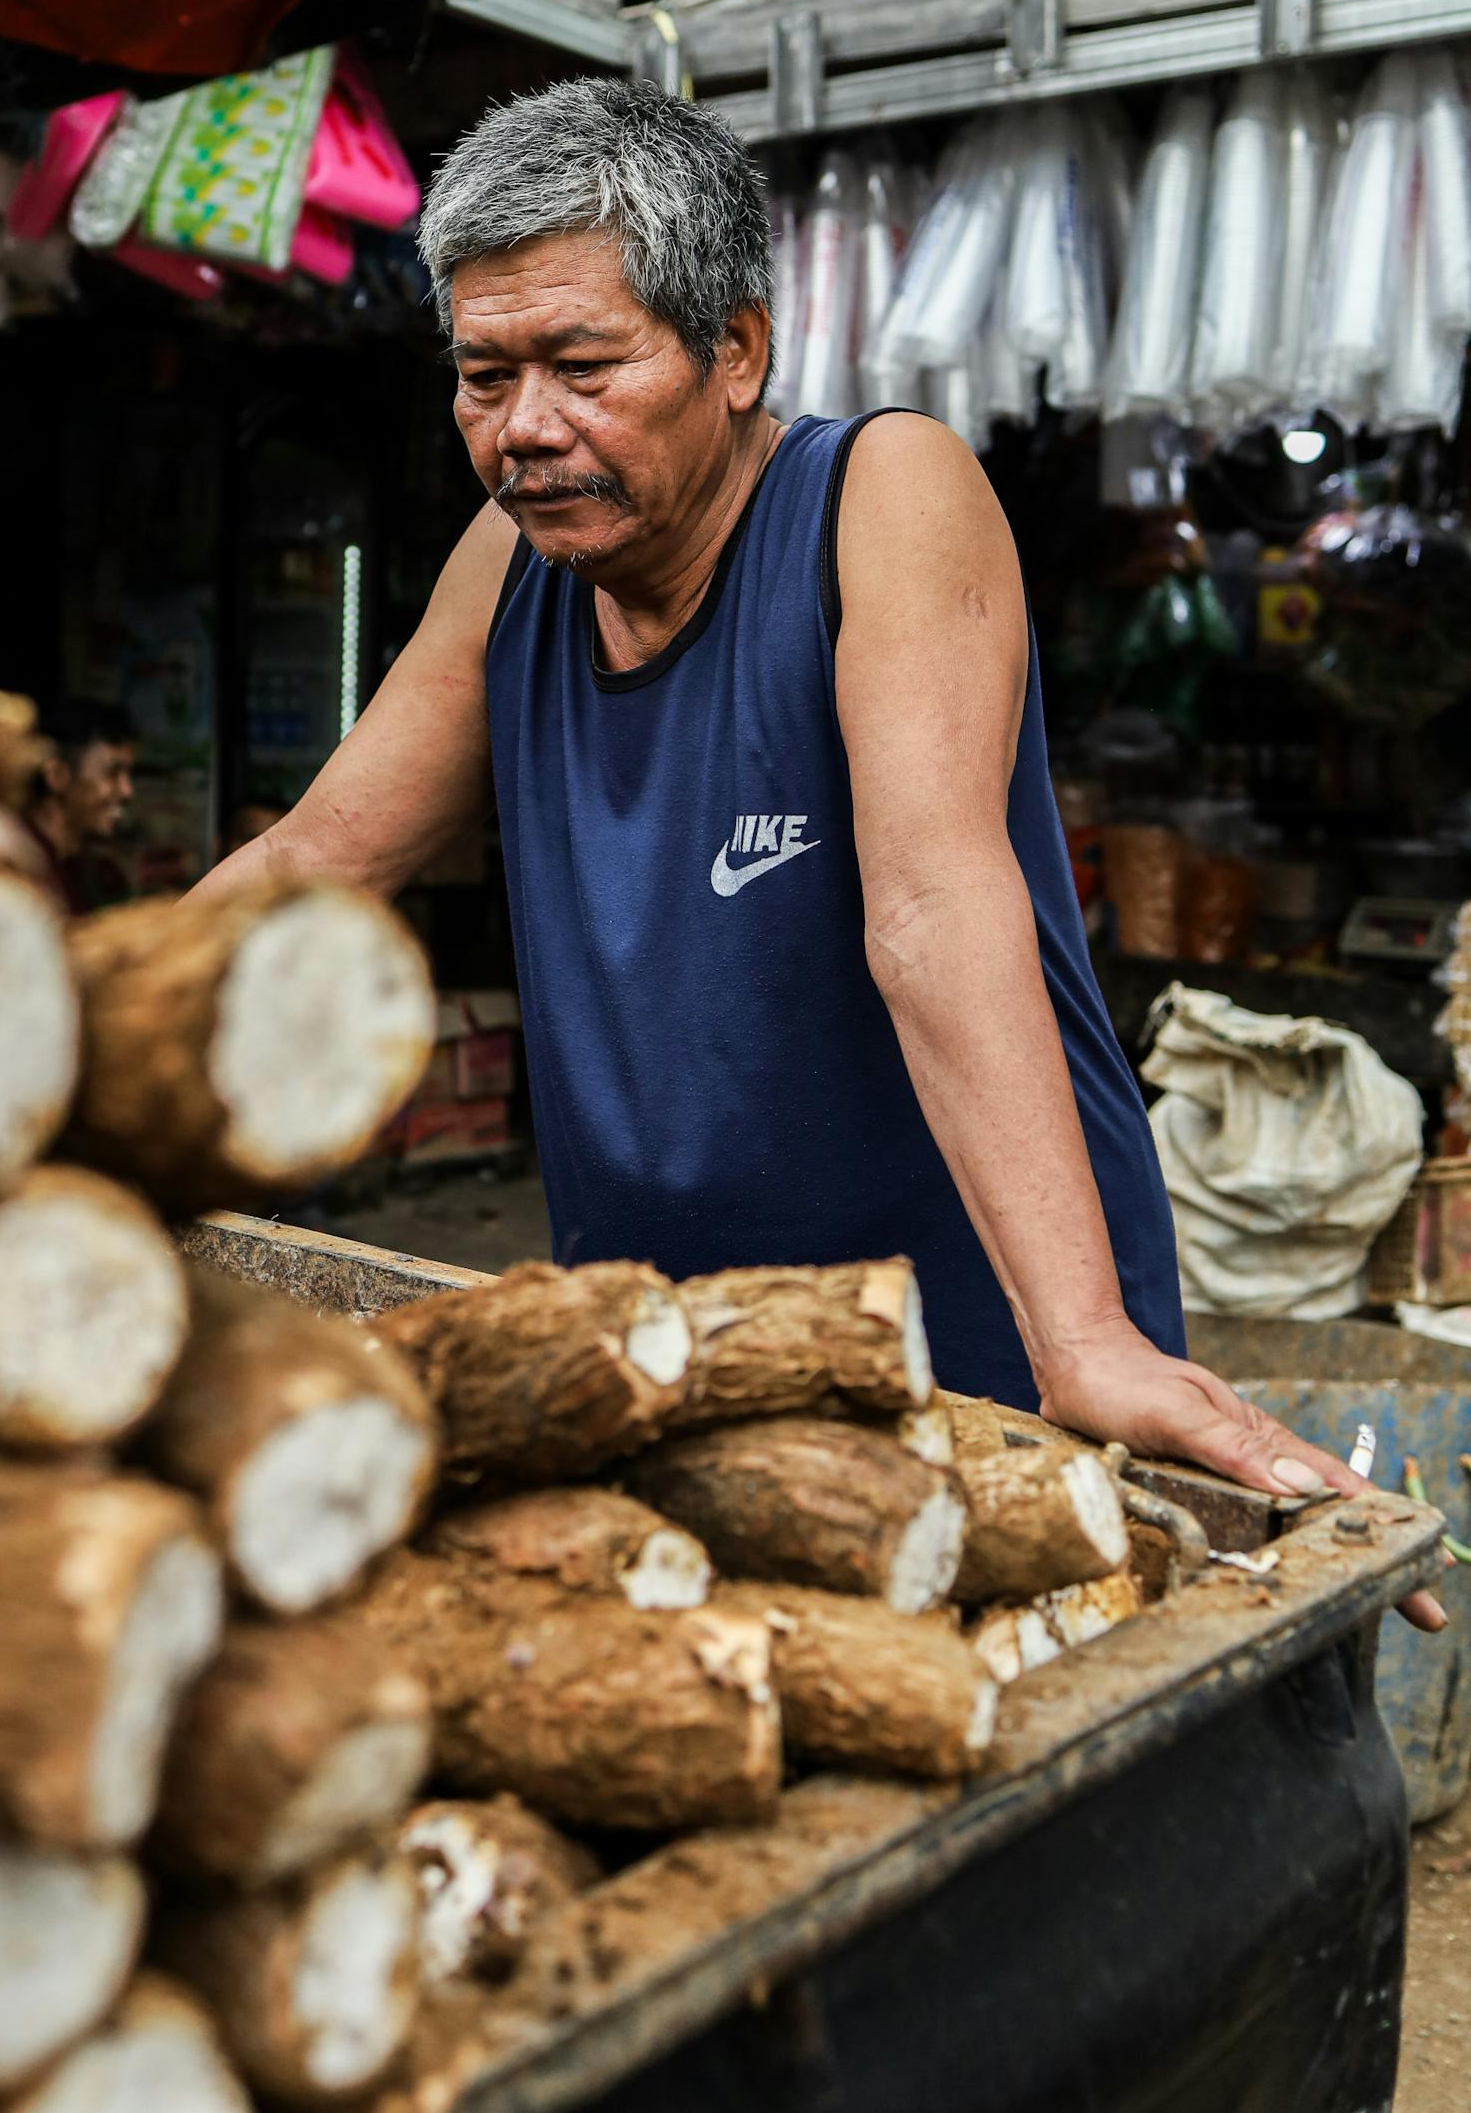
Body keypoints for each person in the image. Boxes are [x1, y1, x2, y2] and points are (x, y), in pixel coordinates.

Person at [192, 80, 1442, 1627]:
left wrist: (1085, 1341)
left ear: (736, 350)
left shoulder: (879, 495)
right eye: (483, 375)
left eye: (583, 367)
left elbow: (928, 904)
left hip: (969, 1334)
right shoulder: (509, 564)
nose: (524, 429)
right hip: (666, 1345)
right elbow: (321, 853)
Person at [25, 696, 137, 914]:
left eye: (128, 775)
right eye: (112, 773)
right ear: (57, 776)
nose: (127, 791)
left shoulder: (97, 875)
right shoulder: (19, 869)